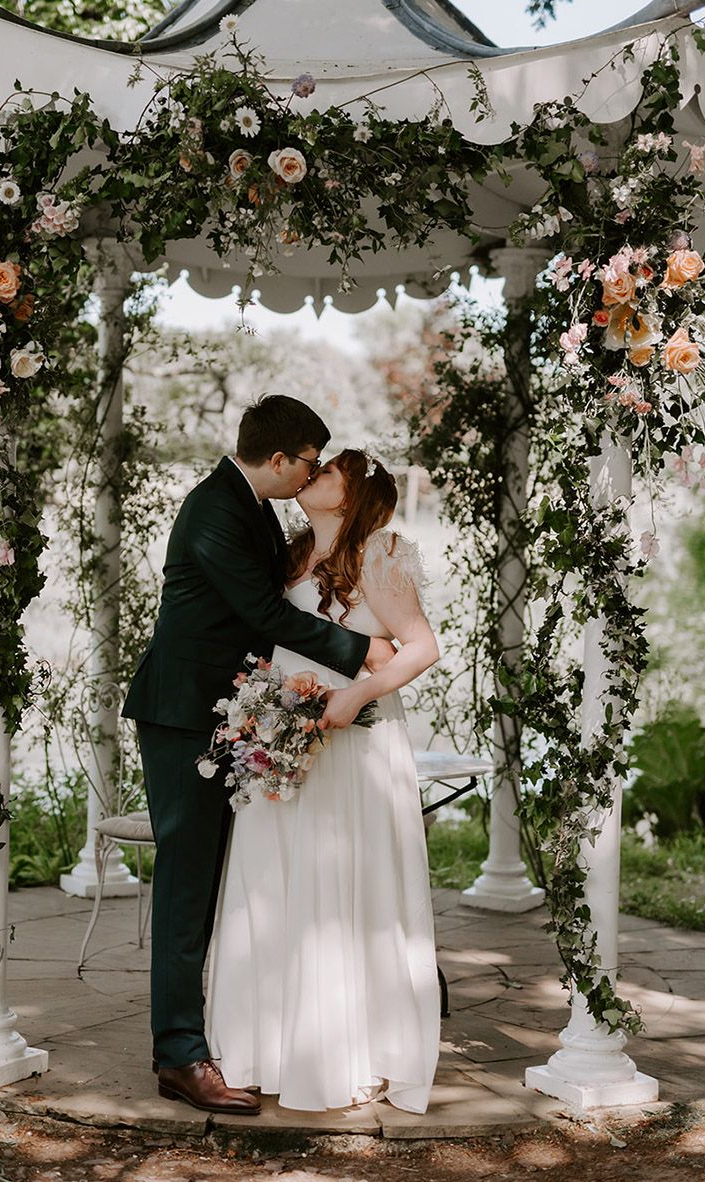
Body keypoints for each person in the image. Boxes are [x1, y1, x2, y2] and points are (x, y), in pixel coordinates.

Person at [122, 400, 396, 1116]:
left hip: (231, 715)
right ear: (280, 460)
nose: (311, 473)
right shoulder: (214, 510)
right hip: (184, 716)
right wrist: (365, 652)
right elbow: (264, 614)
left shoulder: (253, 508)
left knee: (222, 881)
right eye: (310, 460)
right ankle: (180, 1057)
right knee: (187, 887)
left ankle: (232, 1031)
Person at [208, 449, 441, 1113]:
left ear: (352, 494)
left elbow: (420, 647)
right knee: (272, 882)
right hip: (282, 734)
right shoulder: (290, 553)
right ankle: (265, 1047)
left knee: (342, 892)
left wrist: (355, 695)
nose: (312, 476)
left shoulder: (379, 553)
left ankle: (349, 1051)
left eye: (329, 471)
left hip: (350, 744)